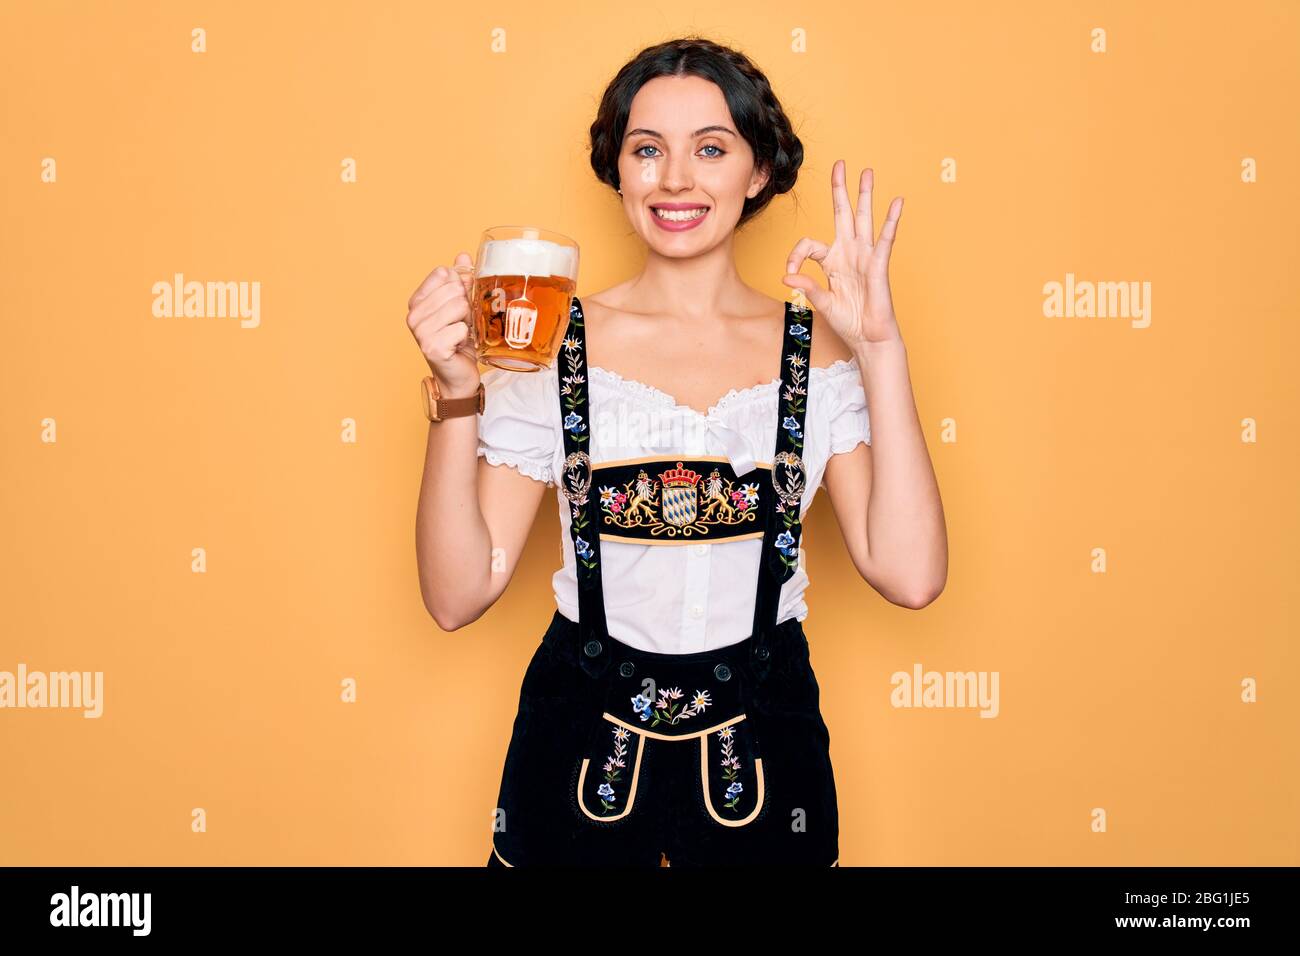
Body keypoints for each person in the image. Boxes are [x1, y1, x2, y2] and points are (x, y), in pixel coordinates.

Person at [407, 36, 946, 867]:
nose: (675, 179)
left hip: (769, 756)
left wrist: (881, 351)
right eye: (647, 149)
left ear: (757, 171)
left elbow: (910, 575)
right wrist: (455, 389)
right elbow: (457, 593)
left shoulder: (818, 353)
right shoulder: (554, 342)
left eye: (711, 148)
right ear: (618, 171)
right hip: (572, 749)